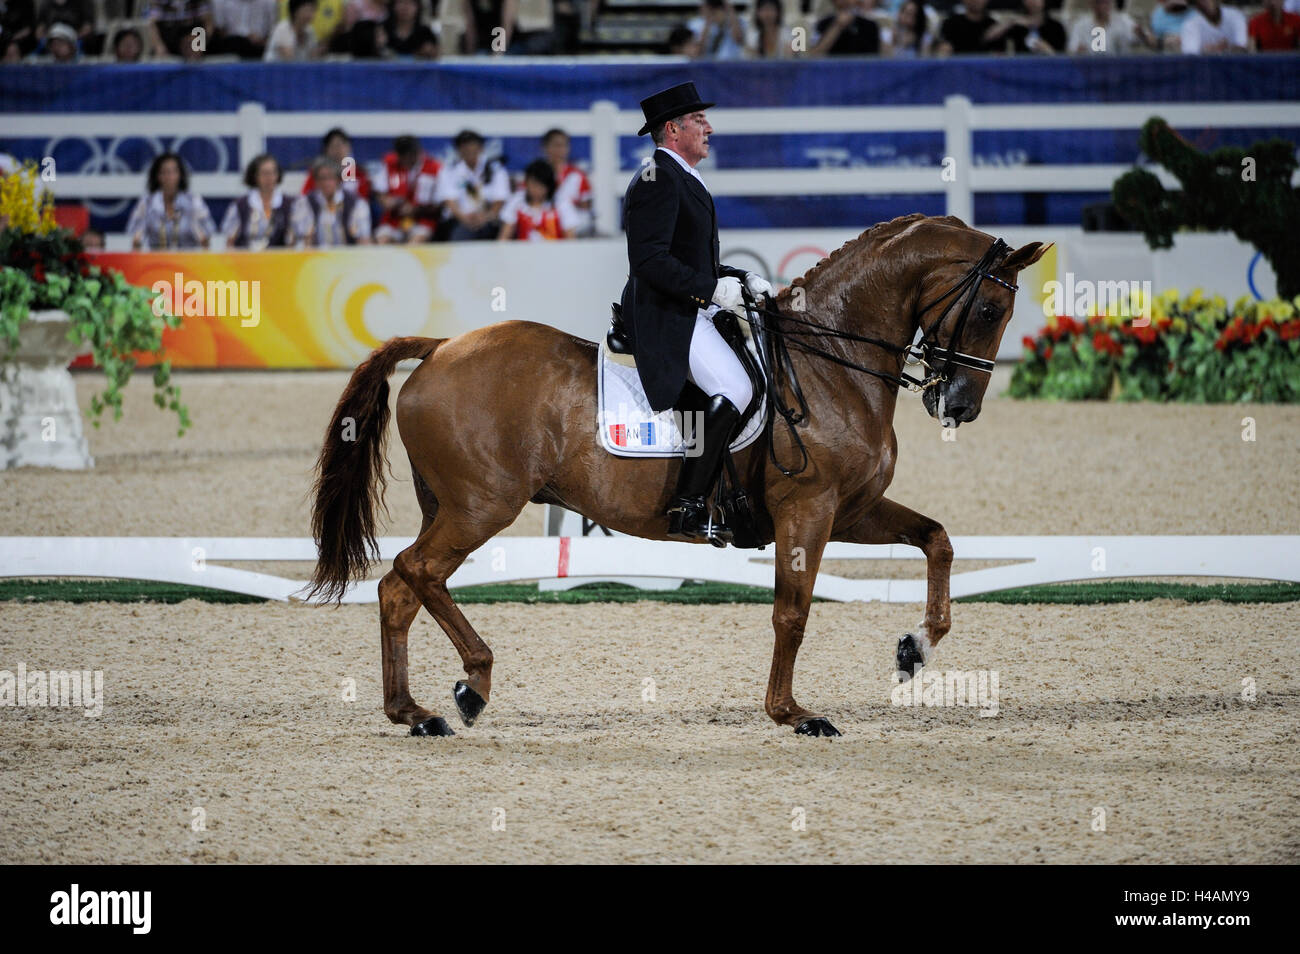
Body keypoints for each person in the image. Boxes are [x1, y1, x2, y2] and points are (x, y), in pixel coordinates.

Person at [619, 82, 773, 543]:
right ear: (673, 129)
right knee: (736, 385)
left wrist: (737, 277)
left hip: (688, 305)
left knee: (755, 372)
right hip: (666, 313)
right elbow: (648, 261)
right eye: (699, 121)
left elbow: (688, 257)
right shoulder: (657, 178)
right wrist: (711, 288)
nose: (709, 128)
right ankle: (687, 507)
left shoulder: (682, 175)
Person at [125, 151, 215, 250]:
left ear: (180, 175)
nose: (170, 177)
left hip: (187, 261)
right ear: (158, 176)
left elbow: (206, 239)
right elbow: (136, 241)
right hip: (156, 262)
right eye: (165, 172)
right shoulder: (147, 203)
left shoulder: (194, 201)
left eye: (174, 172)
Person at [435, 129, 510, 241]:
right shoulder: (449, 170)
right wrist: (465, 219)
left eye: (472, 144)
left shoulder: (495, 169)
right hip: (459, 220)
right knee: (460, 234)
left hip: (489, 220)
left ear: (481, 147)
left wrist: (484, 217)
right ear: (458, 150)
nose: (468, 149)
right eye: (463, 146)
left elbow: (500, 200)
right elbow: (449, 201)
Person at [375, 134, 441, 243]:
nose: (406, 157)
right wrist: (386, 201)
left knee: (414, 243)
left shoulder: (434, 168)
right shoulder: (390, 165)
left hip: (423, 220)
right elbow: (379, 192)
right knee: (382, 240)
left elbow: (440, 204)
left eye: (410, 153)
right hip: (394, 220)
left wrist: (415, 210)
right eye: (402, 153)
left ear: (418, 151)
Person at [293, 156, 372, 245]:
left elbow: (363, 239)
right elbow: (304, 239)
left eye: (330, 177)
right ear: (316, 182)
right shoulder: (305, 203)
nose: (326, 183)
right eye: (322, 178)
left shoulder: (356, 204)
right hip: (316, 255)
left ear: (338, 180)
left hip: (347, 256)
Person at [221, 153, 295, 249]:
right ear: (255, 176)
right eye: (265, 173)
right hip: (246, 260)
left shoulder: (289, 204)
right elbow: (230, 241)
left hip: (278, 260)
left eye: (273, 172)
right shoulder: (241, 205)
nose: (269, 177)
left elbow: (294, 241)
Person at [497, 160, 578, 241]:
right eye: (533, 184)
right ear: (526, 183)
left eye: (540, 186)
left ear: (549, 187)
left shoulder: (561, 203)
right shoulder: (516, 200)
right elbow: (504, 237)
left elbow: (571, 239)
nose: (536, 190)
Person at [541, 127, 592, 236]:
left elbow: (585, 207)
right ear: (545, 147)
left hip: (571, 229)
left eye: (563, 145)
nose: (560, 150)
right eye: (556, 145)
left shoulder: (577, 176)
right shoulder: (537, 174)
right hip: (542, 227)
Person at [302, 127, 372, 201]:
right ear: (326, 150)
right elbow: (306, 196)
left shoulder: (359, 173)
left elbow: (364, 200)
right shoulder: (318, 173)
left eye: (340, 145)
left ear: (349, 147)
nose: (338, 150)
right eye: (333, 146)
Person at [1068, 0, 1149, 53]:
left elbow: (1144, 38)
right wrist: (1079, 51)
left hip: (1119, 72)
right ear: (1091, 4)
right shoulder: (1080, 25)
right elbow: (1073, 49)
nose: (1105, 5)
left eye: (1107, 2)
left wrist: (1141, 34)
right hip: (1091, 72)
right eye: (1100, 2)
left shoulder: (1124, 21)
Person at [983, 0, 1065, 52]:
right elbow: (988, 37)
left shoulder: (1056, 27)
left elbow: (1063, 62)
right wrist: (1012, 22)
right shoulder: (1018, 25)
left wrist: (1048, 50)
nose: (1032, 1)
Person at [813, 0, 881, 55]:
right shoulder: (822, 24)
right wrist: (837, 26)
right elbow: (815, 54)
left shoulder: (870, 25)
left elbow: (878, 56)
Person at [213, 0, 278, 57]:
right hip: (230, 47)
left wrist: (261, 41)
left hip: (259, 49)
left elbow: (274, 33)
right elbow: (219, 32)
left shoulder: (269, 2)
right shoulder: (220, 2)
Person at [1180, 0, 1246, 52]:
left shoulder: (1235, 16)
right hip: (1205, 66)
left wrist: (1220, 50)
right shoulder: (1190, 24)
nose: (1206, 3)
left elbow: (1241, 46)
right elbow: (1191, 56)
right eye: (1202, 1)